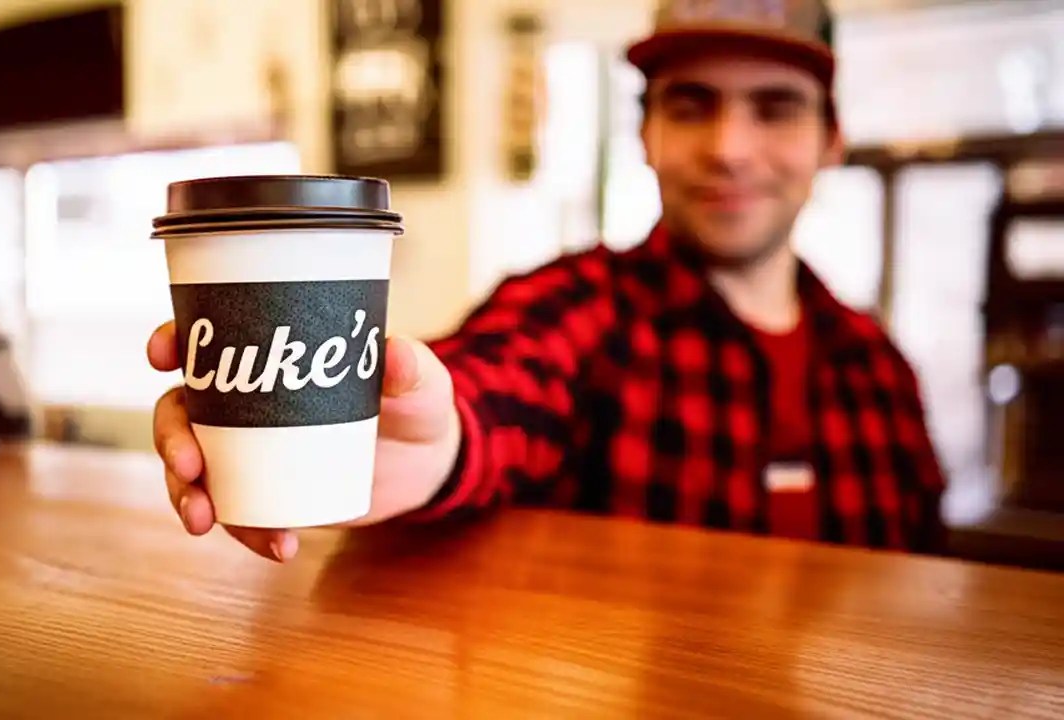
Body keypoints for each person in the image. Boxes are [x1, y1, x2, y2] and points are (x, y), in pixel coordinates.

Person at [148, 0, 946, 562]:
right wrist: (417, 442)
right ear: (646, 134)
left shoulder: (883, 373)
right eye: (692, 106)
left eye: (775, 109)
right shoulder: (582, 310)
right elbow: (492, 389)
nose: (731, 147)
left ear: (833, 140)